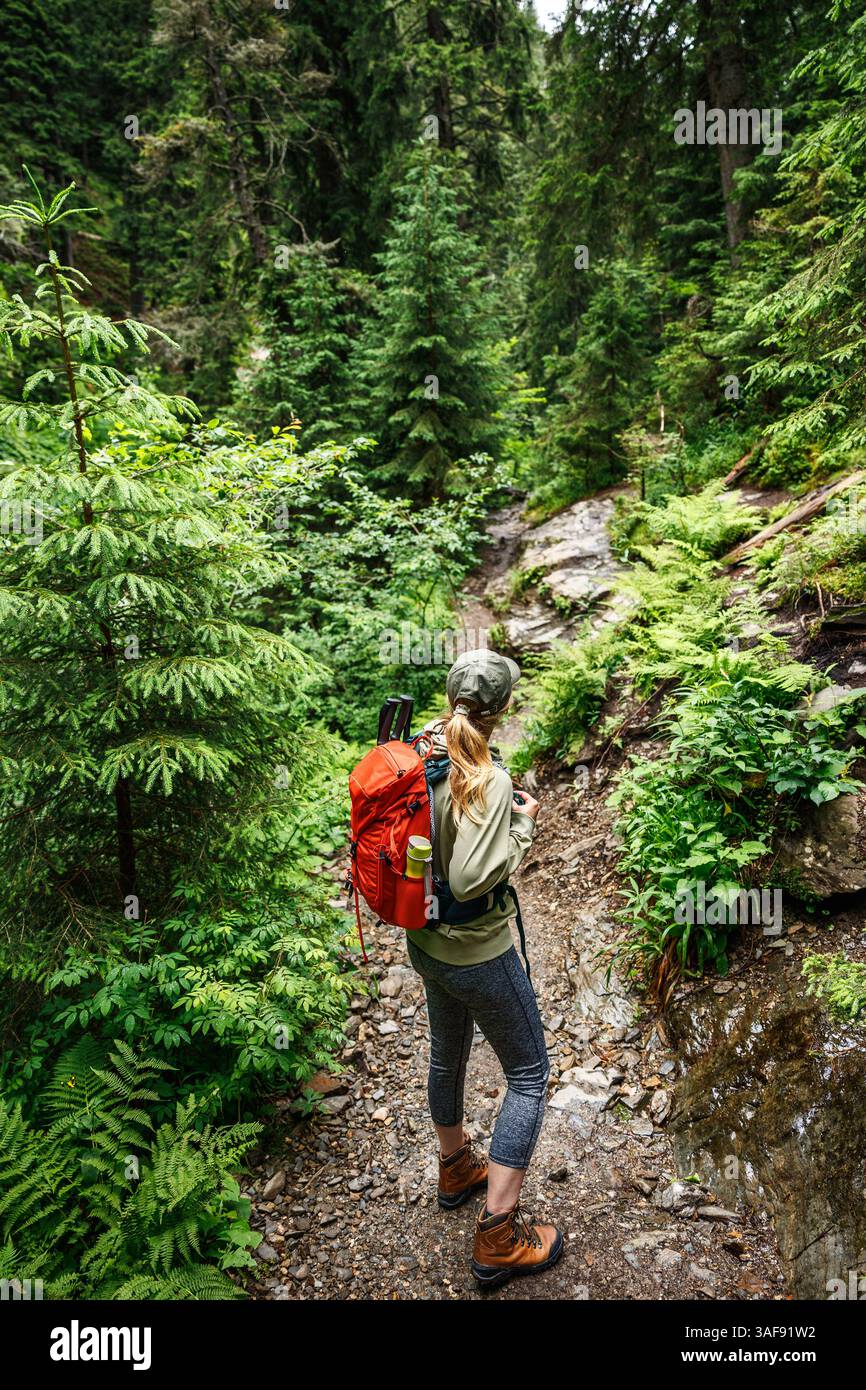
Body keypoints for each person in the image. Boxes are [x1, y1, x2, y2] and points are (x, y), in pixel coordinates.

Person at [407, 648, 563, 1290]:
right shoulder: (490, 780)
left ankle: (456, 1169)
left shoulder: (418, 753)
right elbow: (472, 877)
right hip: (478, 950)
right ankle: (499, 1235)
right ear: (503, 709)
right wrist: (521, 829)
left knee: (448, 1052)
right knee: (529, 1073)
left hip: (426, 944)